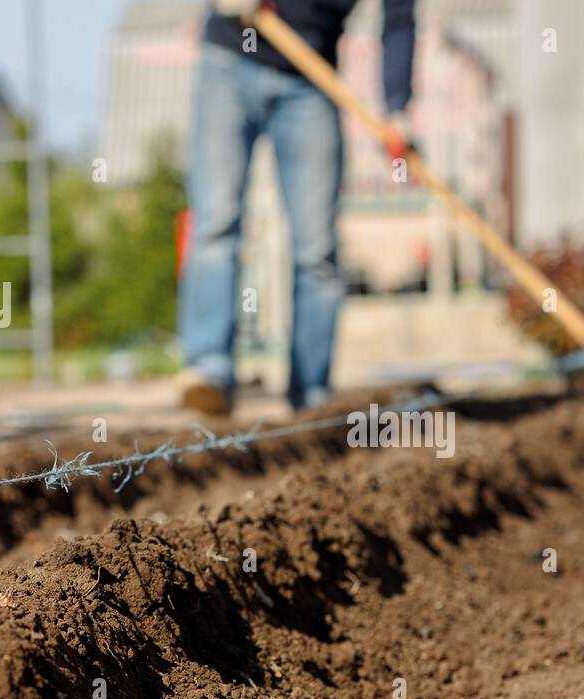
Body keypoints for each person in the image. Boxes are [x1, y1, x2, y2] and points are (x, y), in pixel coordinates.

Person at [177, 0, 417, 415]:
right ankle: (209, 369)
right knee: (216, 223)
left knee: (317, 249)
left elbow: (398, 20)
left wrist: (396, 108)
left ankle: (310, 392)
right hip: (231, 58)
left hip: (311, 80)